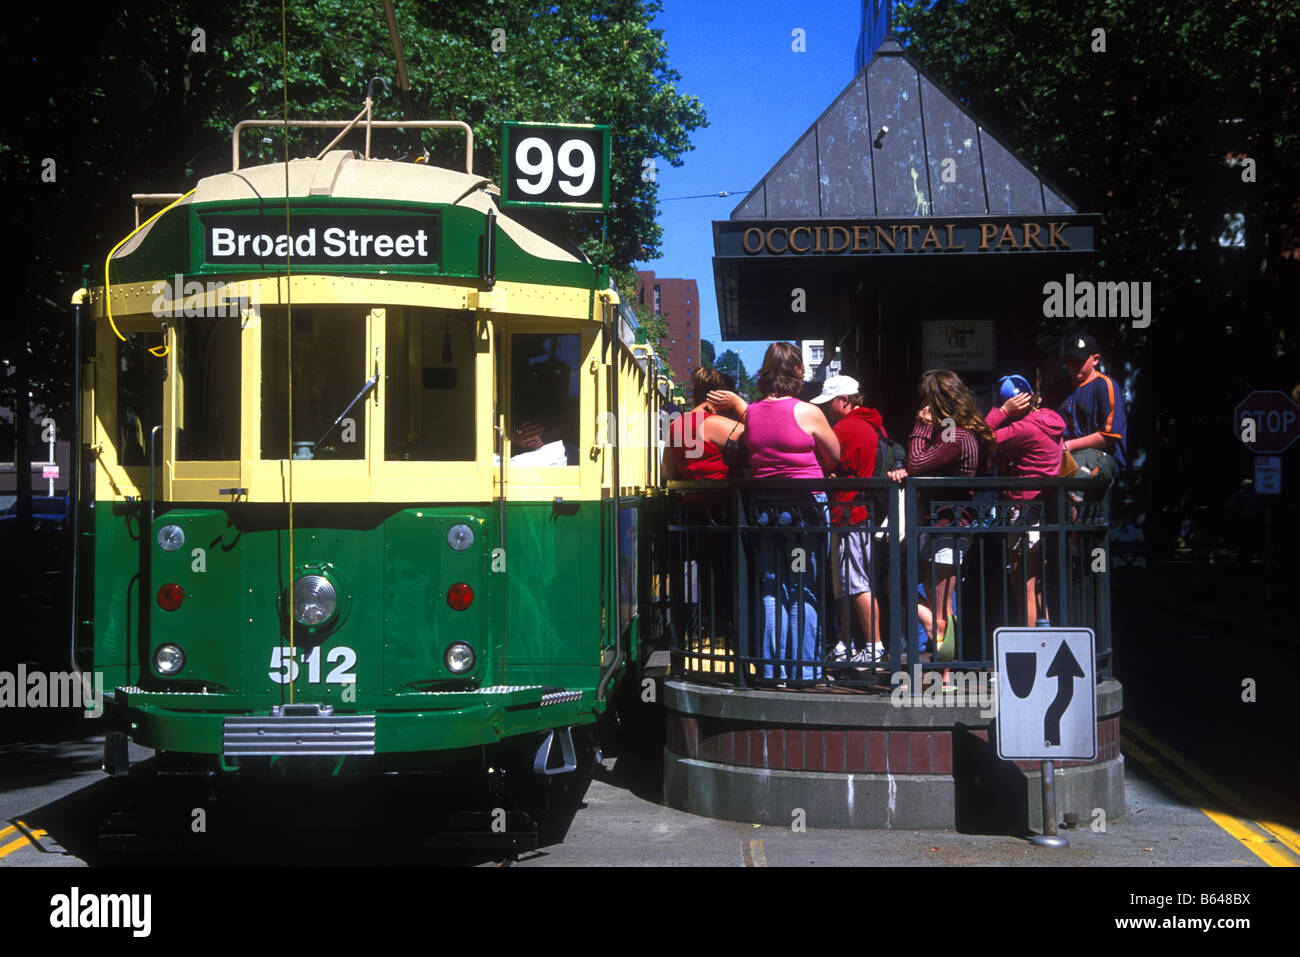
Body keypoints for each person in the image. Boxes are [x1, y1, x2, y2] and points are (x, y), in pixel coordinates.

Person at [708, 343, 840, 685]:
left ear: (765, 372)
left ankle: (770, 670)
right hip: (803, 513)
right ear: (797, 371)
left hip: (764, 510)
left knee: (770, 588)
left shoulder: (751, 414)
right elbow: (834, 455)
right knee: (802, 587)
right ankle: (804, 671)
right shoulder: (808, 412)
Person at [903, 369, 996, 667]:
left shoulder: (954, 433)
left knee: (940, 610)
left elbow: (917, 462)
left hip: (947, 527)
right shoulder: (962, 431)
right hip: (947, 526)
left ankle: (944, 671)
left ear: (937, 401)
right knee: (937, 605)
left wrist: (920, 425)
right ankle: (944, 666)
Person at [812, 375, 900, 667]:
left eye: (828, 403)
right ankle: (846, 643)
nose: (825, 409)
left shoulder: (845, 427)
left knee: (855, 582)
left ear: (844, 401)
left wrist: (834, 476)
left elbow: (826, 464)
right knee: (852, 581)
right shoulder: (871, 423)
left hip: (849, 511)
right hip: (862, 511)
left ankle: (873, 647)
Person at [985, 373, 1066, 626]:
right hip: (1044, 507)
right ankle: (1045, 636)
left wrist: (1000, 412)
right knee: (1036, 583)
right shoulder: (1051, 419)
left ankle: (1030, 650)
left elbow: (977, 439)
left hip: (1024, 509)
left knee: (1024, 583)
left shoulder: (1022, 427)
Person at [1058, 333, 1126, 481]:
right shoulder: (1057, 389)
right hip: (1062, 455)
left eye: (1079, 360)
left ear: (1095, 359)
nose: (1074, 365)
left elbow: (1111, 434)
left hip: (1100, 455)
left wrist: (1069, 445)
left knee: (1074, 480)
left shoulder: (1105, 385)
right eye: (1070, 361)